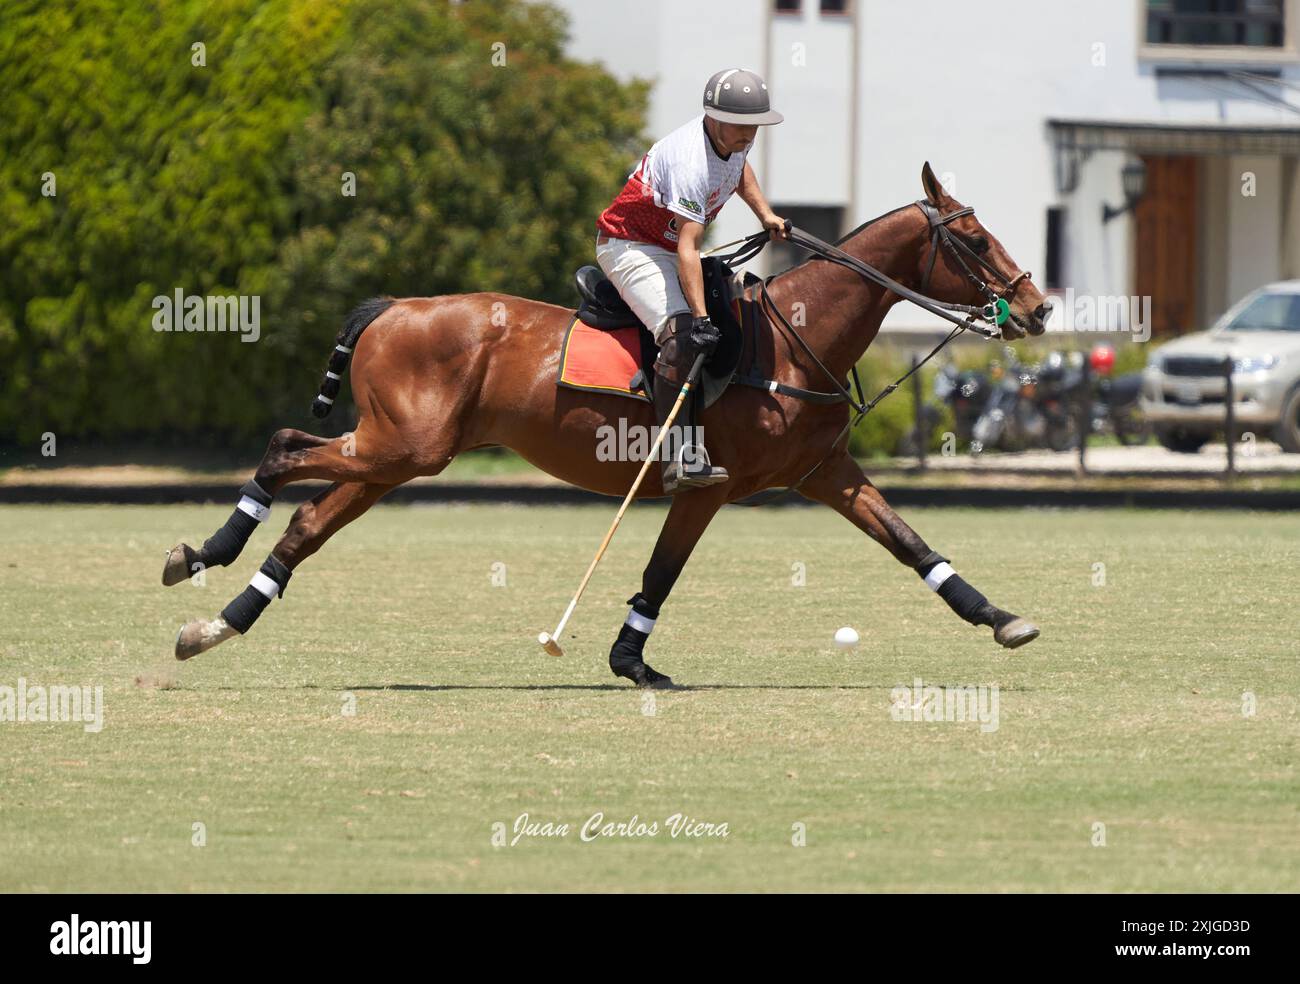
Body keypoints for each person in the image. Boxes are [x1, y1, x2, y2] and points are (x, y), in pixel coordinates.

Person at [595, 68, 787, 493]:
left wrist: (766, 215)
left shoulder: (731, 141)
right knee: (684, 337)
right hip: (630, 246)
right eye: (741, 126)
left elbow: (740, 172)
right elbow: (688, 246)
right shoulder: (689, 160)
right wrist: (698, 318)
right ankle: (679, 456)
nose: (749, 136)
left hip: (669, 246)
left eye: (755, 126)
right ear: (713, 118)